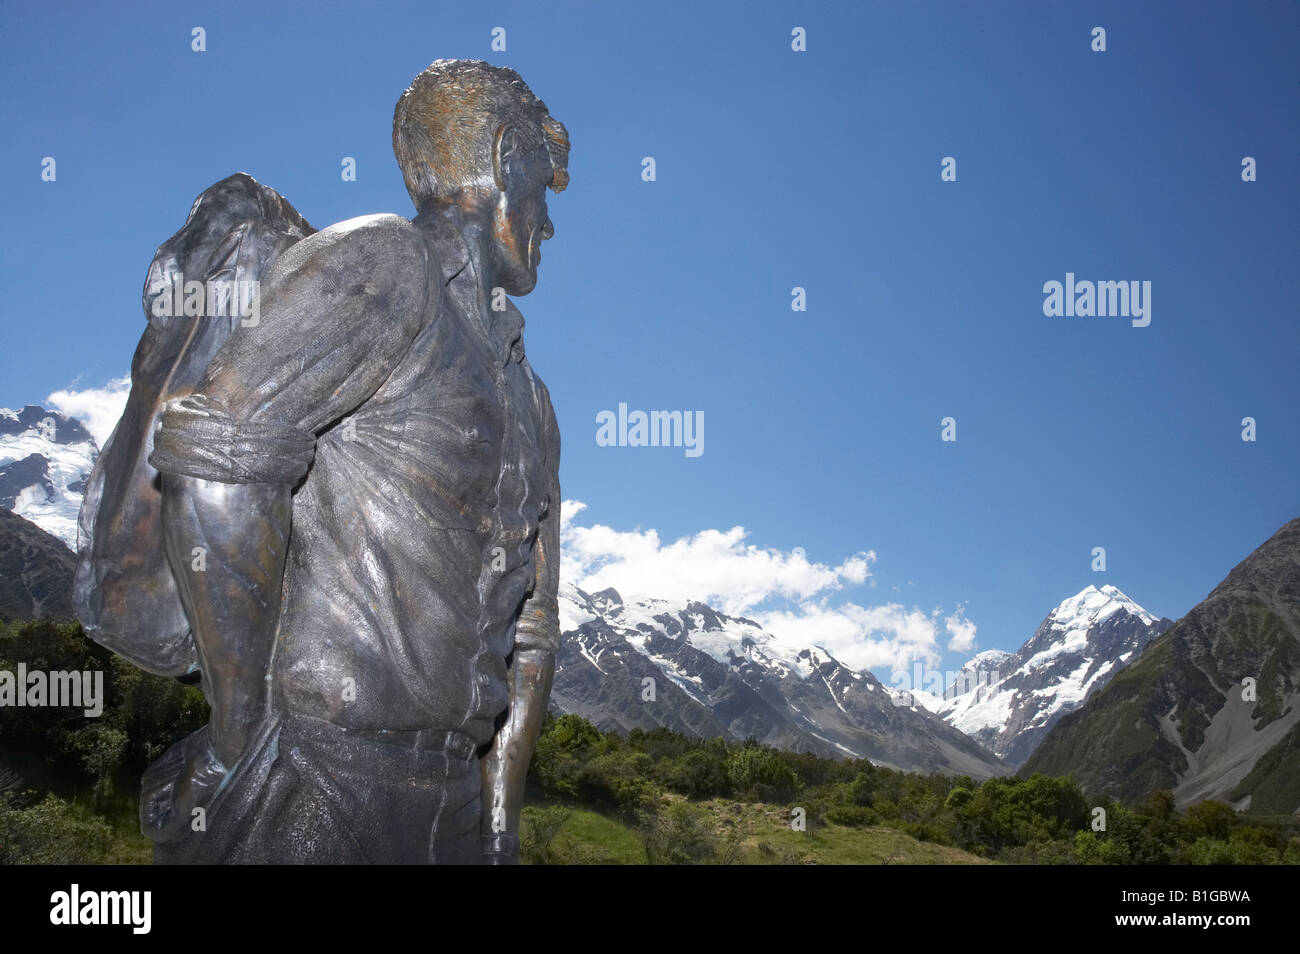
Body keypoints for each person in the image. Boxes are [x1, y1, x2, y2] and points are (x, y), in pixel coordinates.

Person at [82, 59, 568, 864]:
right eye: (544, 185)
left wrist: (499, 816)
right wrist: (242, 740)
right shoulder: (384, 265)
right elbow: (215, 464)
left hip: (451, 806)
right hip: (315, 786)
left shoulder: (531, 395)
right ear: (502, 150)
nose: (549, 220)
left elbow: (532, 629)